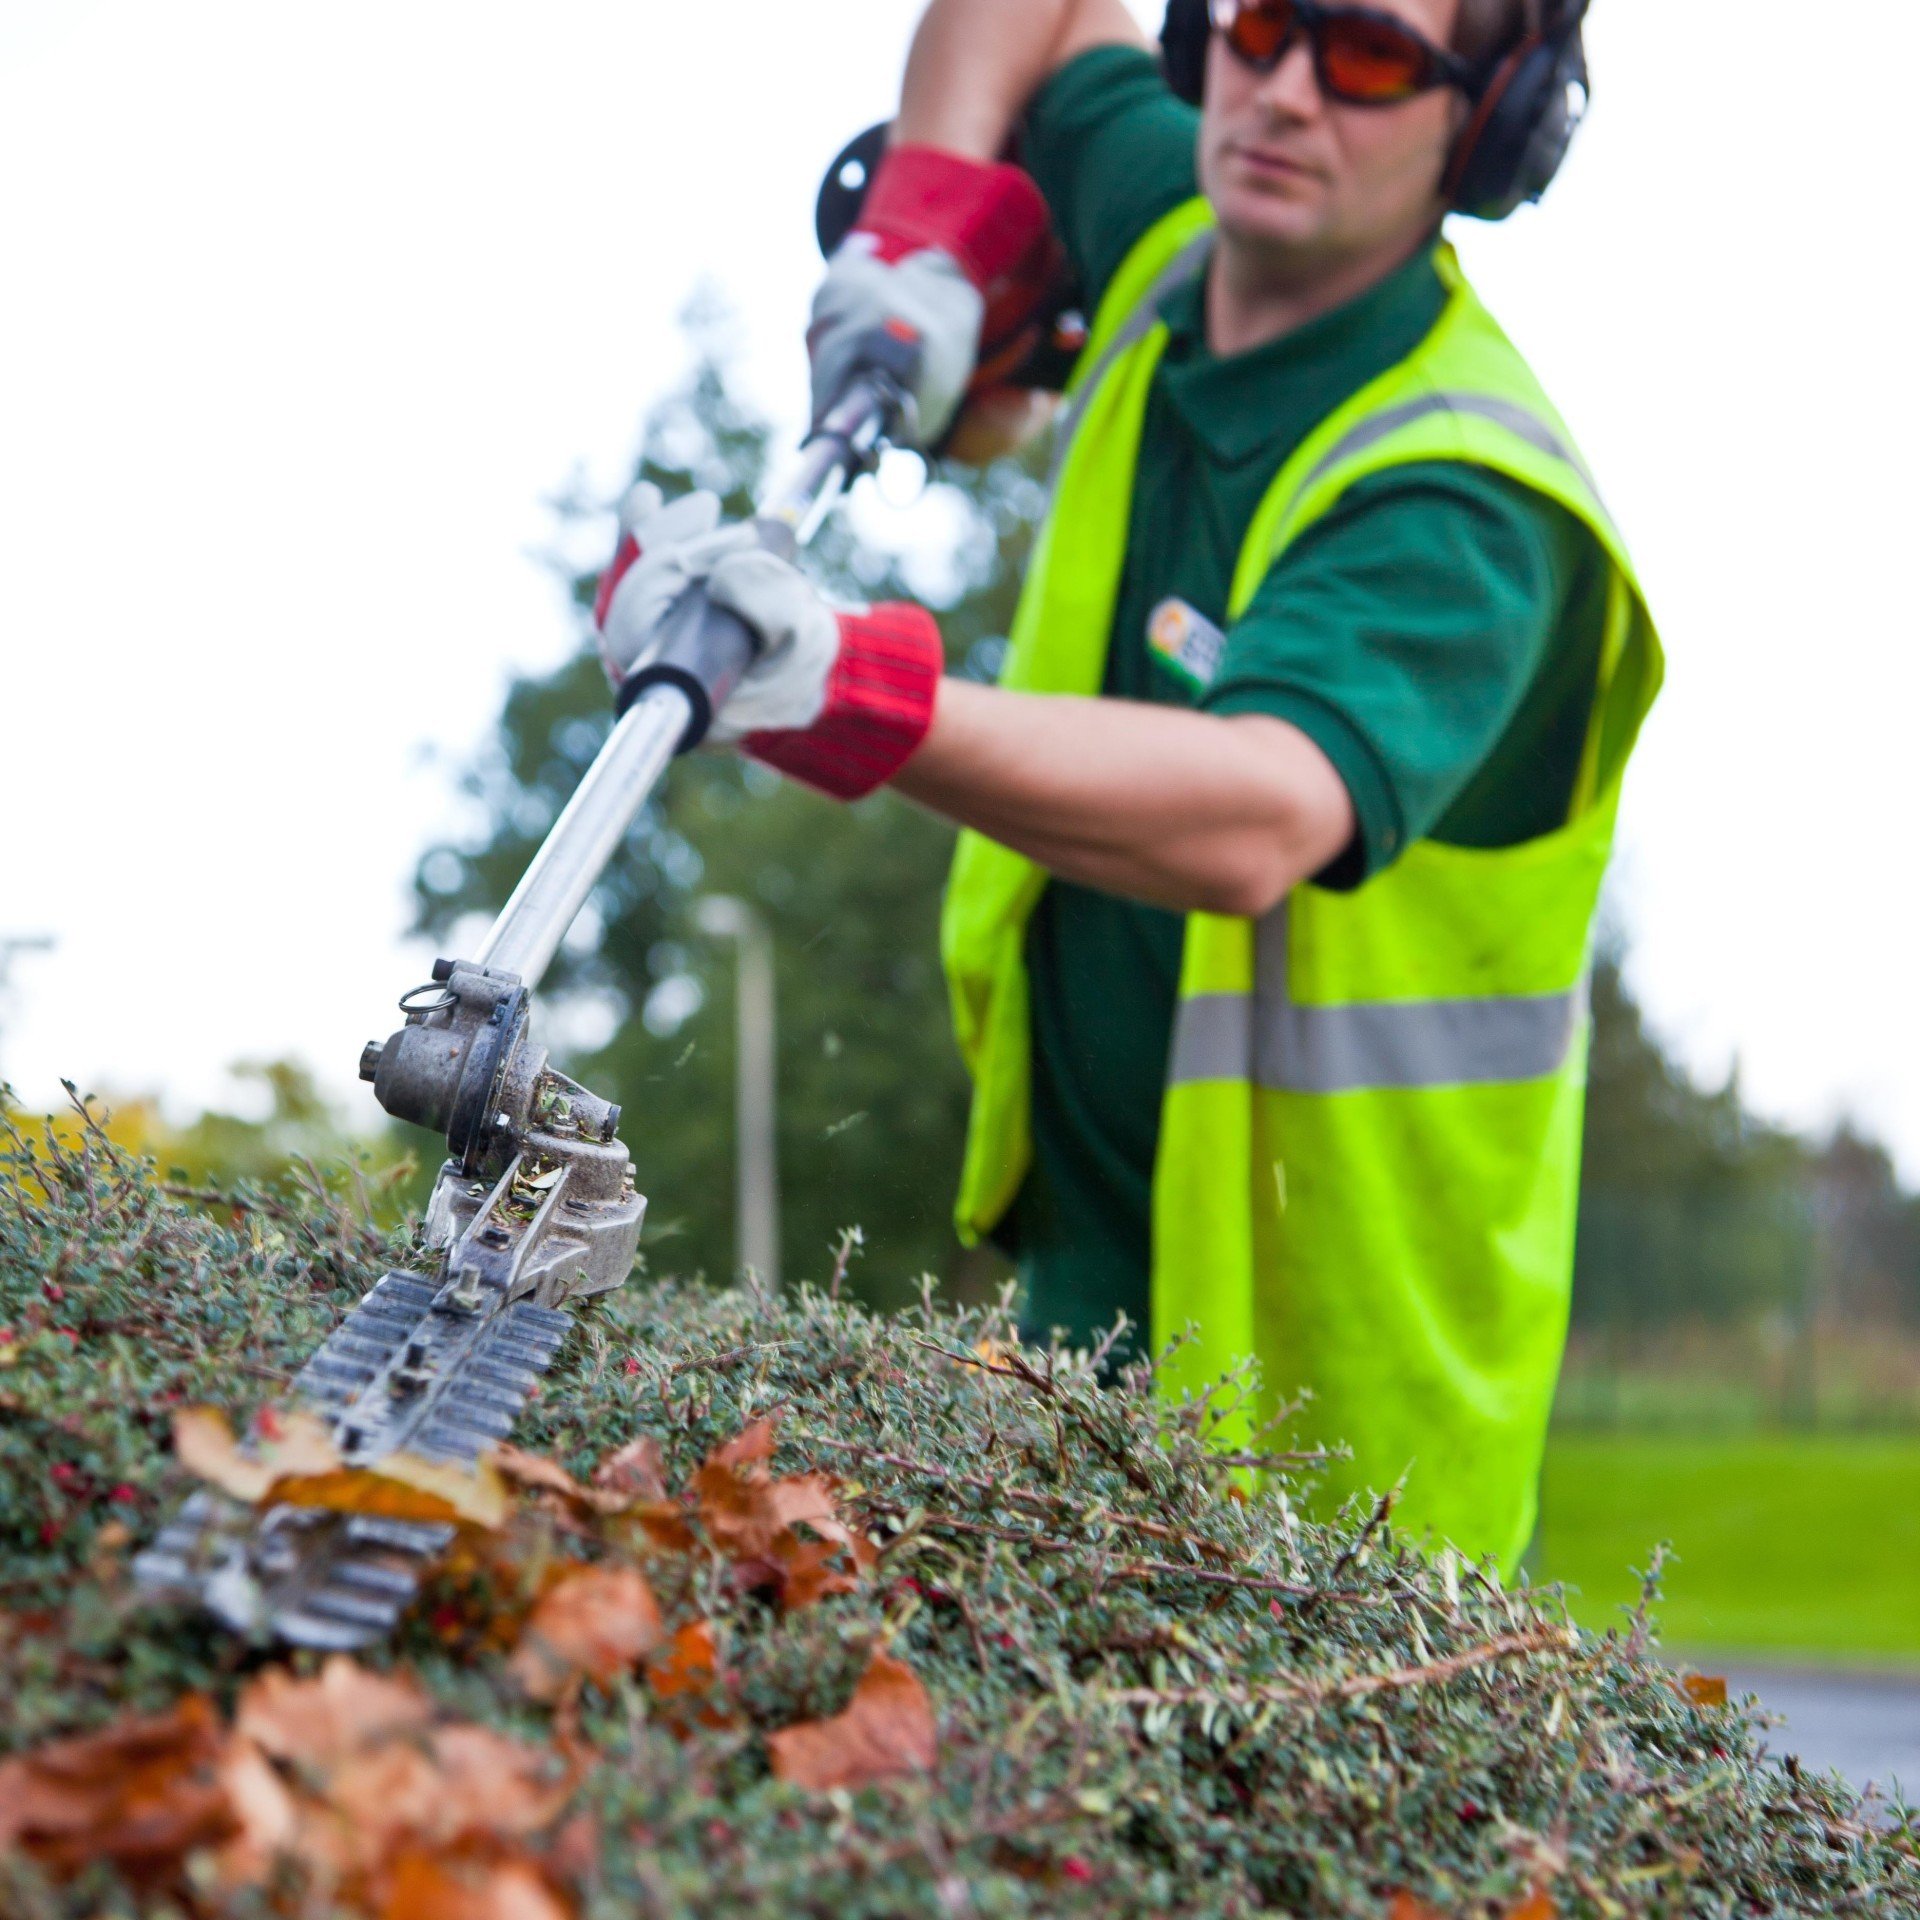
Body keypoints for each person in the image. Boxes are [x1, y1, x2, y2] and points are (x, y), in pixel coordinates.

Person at [595, 0, 1663, 1570]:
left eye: (1366, 55)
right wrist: (926, 223)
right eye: (1258, 20)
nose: (1285, 91)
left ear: (1488, 127)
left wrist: (847, 685)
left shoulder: (1465, 493)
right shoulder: (1181, 242)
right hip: (1084, 1322)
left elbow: (1260, 812)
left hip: (1338, 1463)